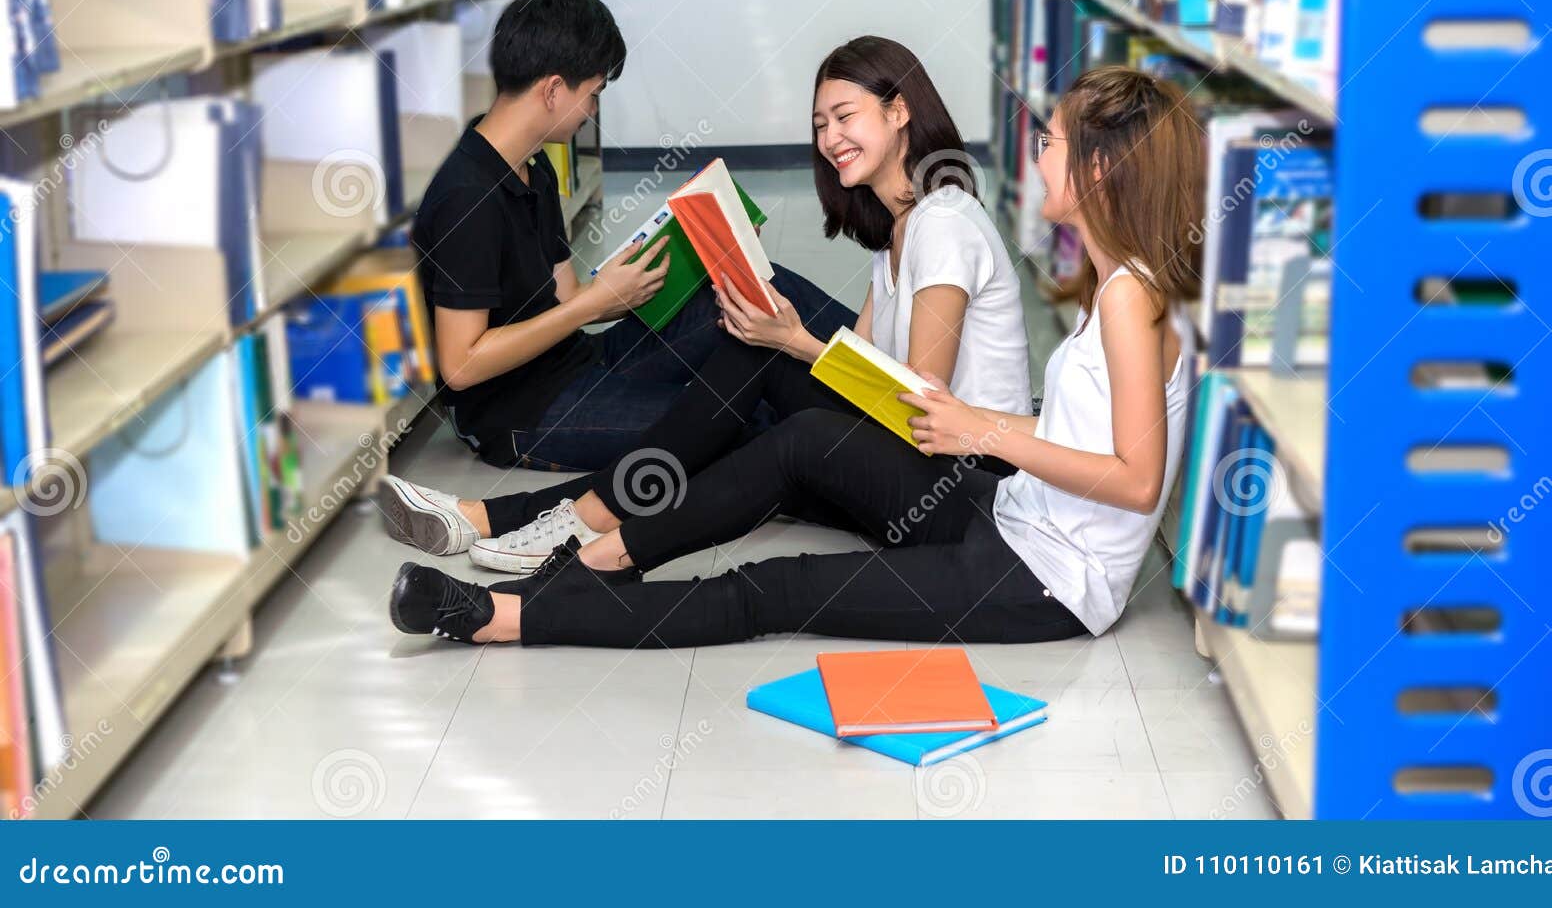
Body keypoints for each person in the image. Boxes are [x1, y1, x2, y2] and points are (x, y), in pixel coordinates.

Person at [387, 65, 1202, 650]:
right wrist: (984, 427)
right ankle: (579, 561)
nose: (1038, 155)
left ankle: (509, 612)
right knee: (797, 436)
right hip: (1016, 515)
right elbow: (1076, 433)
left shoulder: (1128, 296)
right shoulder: (1112, 285)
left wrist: (980, 430)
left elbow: (1133, 479)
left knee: (775, 588)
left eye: (1053, 143)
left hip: (1049, 579)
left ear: (1101, 169)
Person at [381, 35, 1032, 573]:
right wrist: (787, 338)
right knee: (746, 377)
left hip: (958, 481)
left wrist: (795, 341)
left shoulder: (941, 224)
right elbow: (859, 365)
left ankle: (565, 524)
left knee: (756, 373)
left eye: (845, 116)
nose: (830, 138)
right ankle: (550, 520)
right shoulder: (896, 229)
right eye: (819, 124)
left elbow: (923, 404)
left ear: (898, 111)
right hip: (921, 463)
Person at [406, 0, 855, 495]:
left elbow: (570, 299)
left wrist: (678, 263)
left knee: (759, 289)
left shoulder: (533, 170)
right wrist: (592, 304)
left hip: (577, 361)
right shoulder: (468, 196)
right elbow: (462, 366)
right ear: (554, 90)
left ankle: (889, 377)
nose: (591, 111)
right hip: (521, 414)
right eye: (592, 94)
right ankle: (879, 460)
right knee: (736, 419)